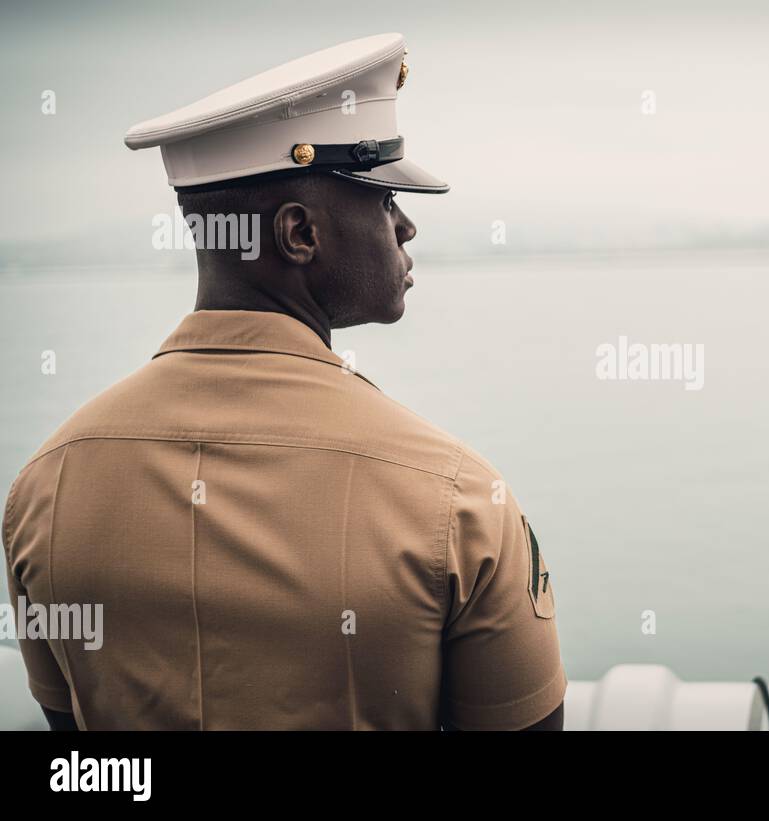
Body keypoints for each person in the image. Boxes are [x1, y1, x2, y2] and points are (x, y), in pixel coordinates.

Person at [2, 33, 565, 731]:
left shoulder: (45, 488)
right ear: (299, 234)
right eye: (385, 199)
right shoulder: (458, 500)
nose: (407, 226)